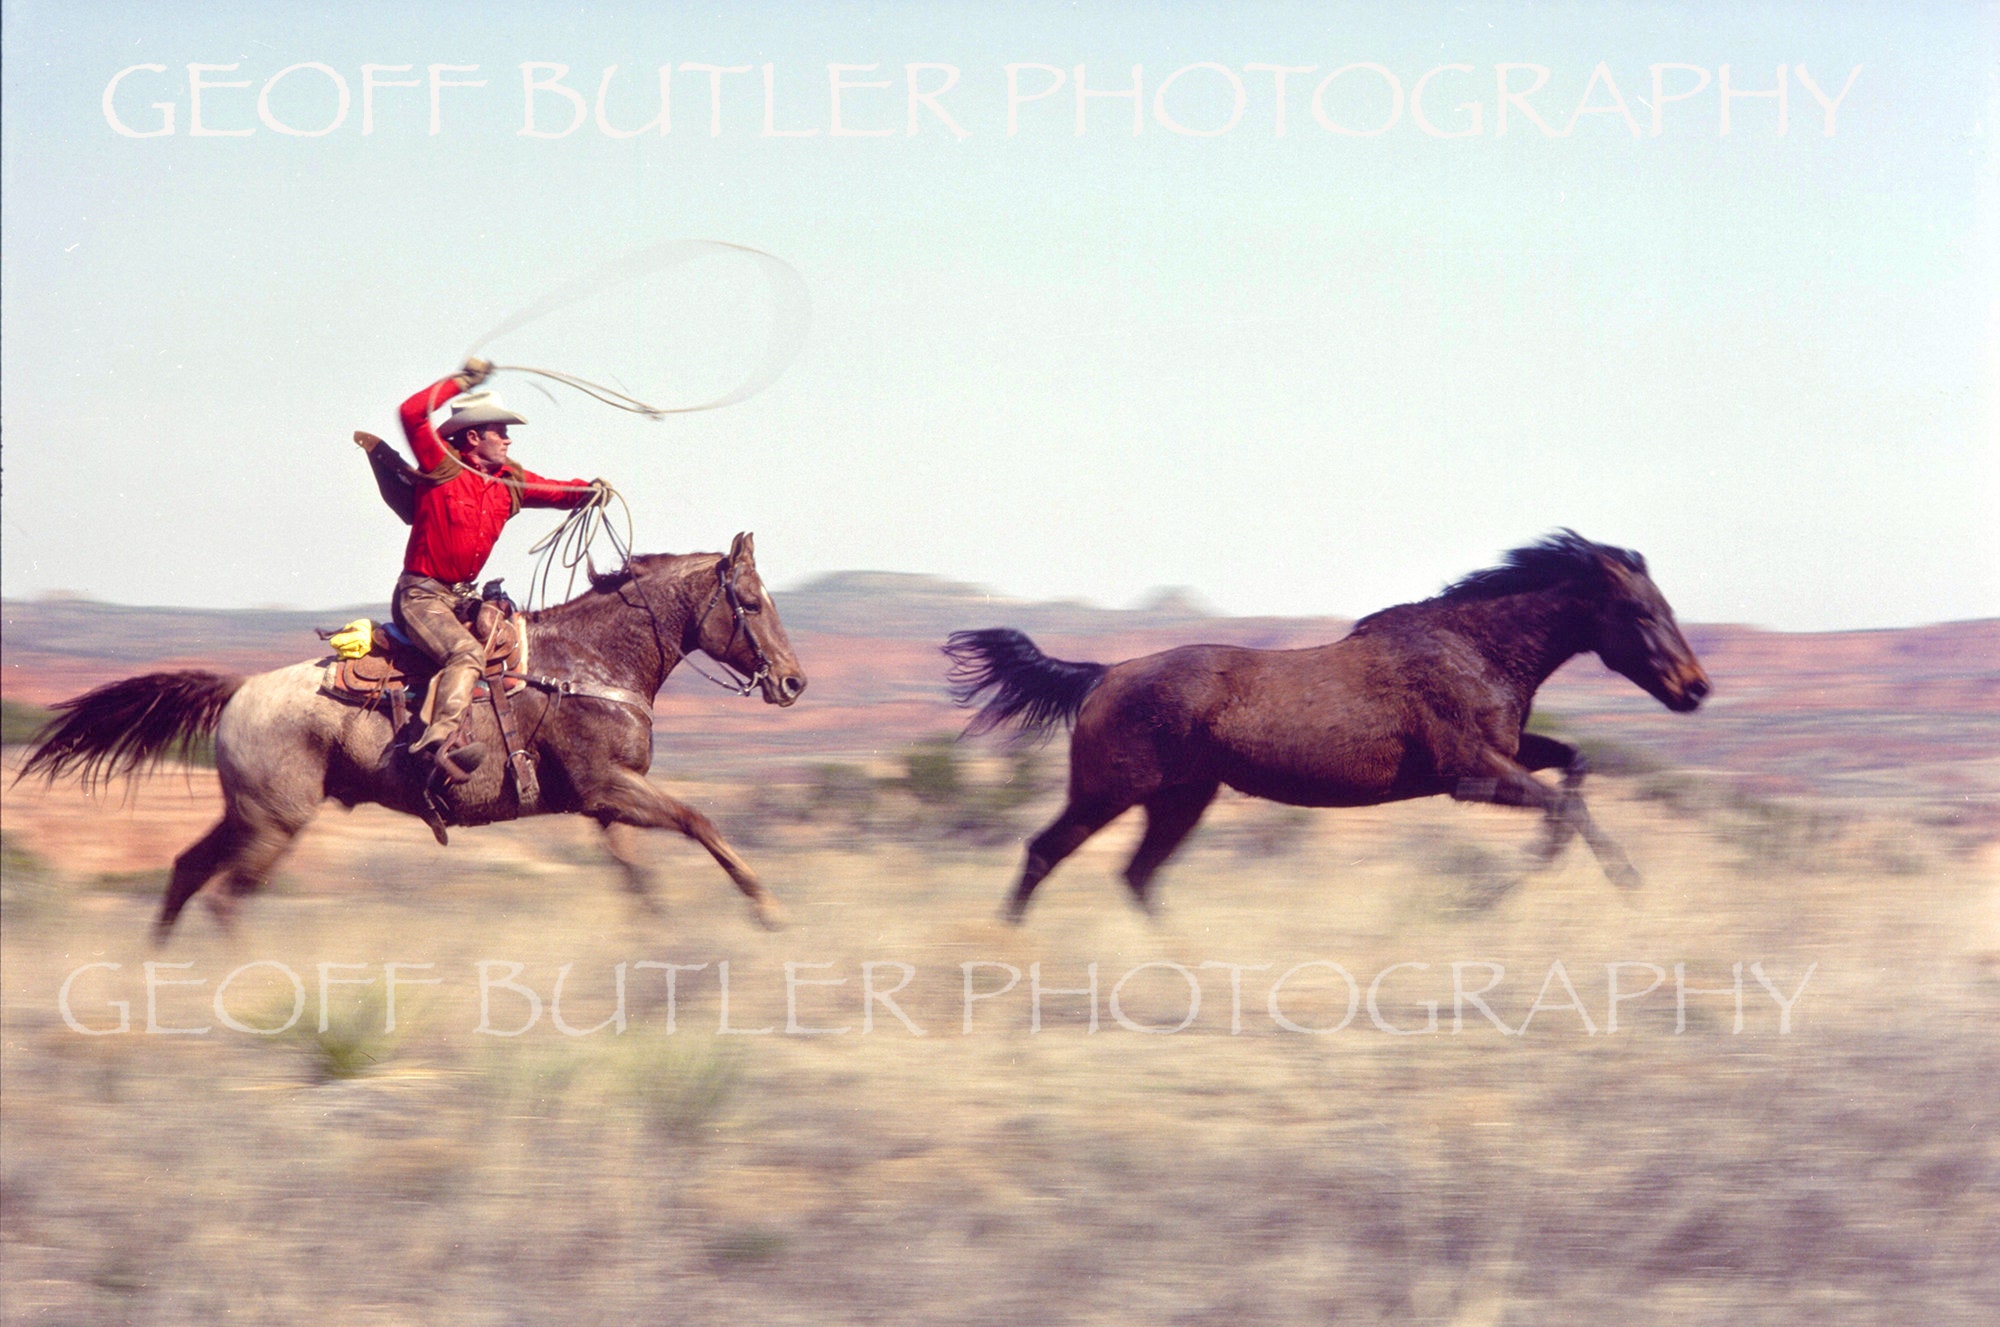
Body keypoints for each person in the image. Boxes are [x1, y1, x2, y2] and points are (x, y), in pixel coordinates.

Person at [376, 357, 602, 780]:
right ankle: (434, 745)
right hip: (421, 596)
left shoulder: (507, 481)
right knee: (465, 654)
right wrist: (463, 381)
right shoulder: (441, 466)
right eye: (501, 432)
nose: (508, 441)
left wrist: (587, 492)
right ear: (474, 436)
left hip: (460, 597)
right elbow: (410, 413)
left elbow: (553, 491)